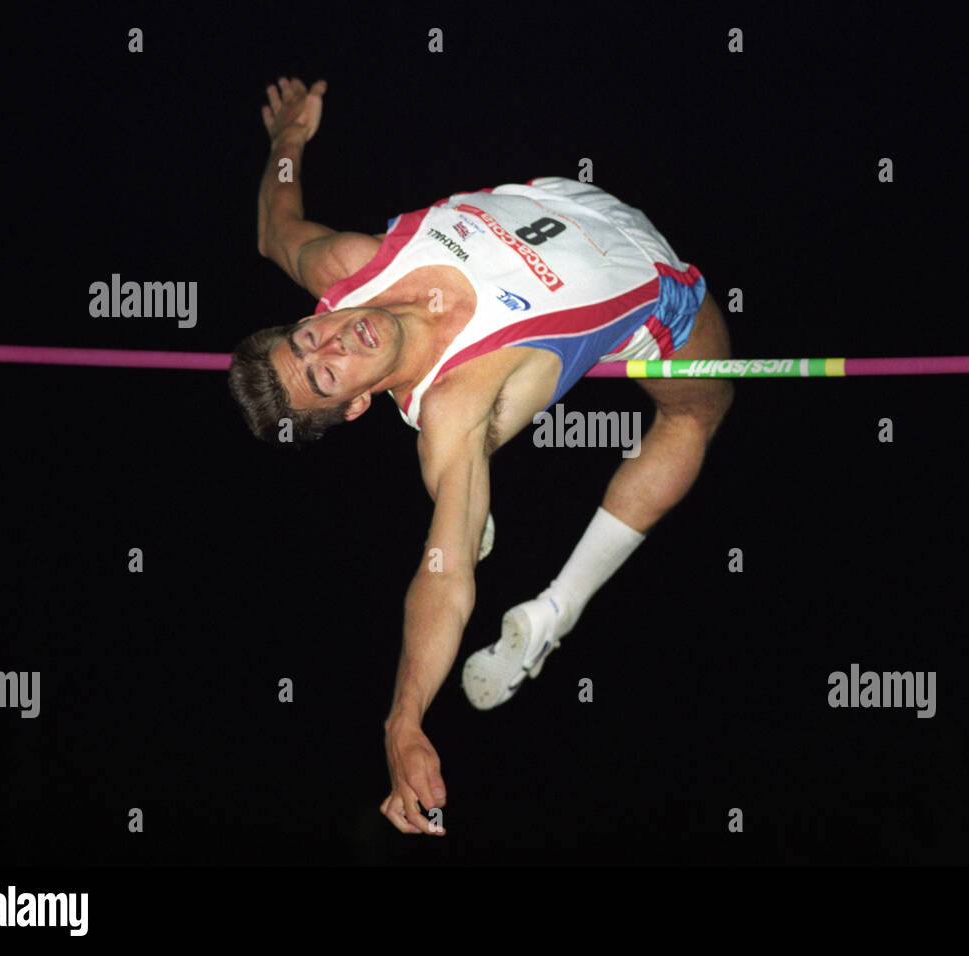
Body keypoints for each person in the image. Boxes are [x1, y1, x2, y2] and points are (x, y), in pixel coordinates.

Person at [229, 77, 734, 835]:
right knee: (696, 411)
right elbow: (444, 578)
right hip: (649, 280)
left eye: (309, 338)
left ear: (311, 315)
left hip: (560, 196)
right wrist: (403, 720)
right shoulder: (454, 406)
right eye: (327, 376)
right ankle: (553, 608)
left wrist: (288, 140)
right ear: (355, 405)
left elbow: (275, 228)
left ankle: (469, 498)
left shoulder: (346, 267)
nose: (333, 344)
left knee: (463, 465)